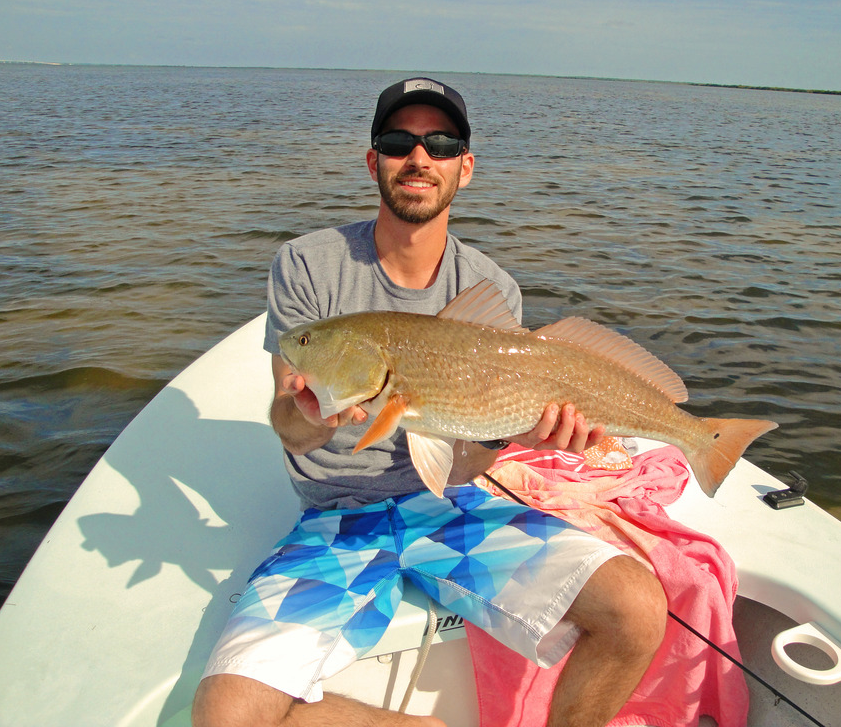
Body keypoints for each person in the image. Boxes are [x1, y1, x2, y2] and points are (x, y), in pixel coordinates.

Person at [192, 78, 668, 727]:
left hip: (450, 507)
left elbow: (464, 463)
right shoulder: (306, 265)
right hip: (337, 521)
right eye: (398, 141)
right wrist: (308, 416)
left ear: (464, 168)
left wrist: (517, 435)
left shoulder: (490, 286)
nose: (419, 157)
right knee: (226, 715)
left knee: (637, 609)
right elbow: (286, 422)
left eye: (441, 144)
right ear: (373, 161)